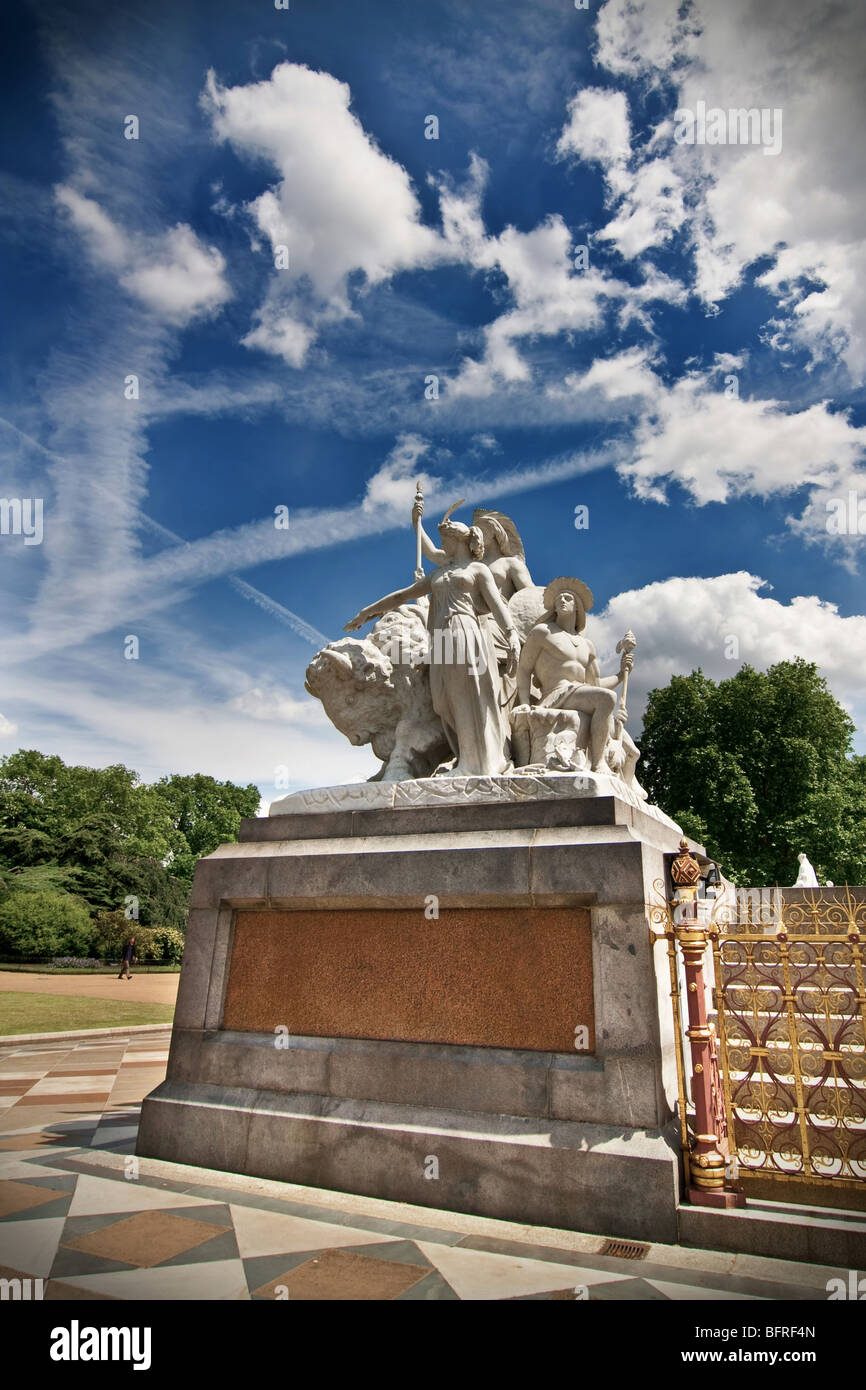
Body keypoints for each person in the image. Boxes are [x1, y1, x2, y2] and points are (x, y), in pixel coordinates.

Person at [345, 502, 520, 776]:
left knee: (465, 696)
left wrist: (511, 635)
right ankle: (467, 758)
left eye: (445, 541)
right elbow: (402, 595)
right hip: (440, 637)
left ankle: (474, 764)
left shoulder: (477, 570)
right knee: (443, 701)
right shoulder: (440, 573)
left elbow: (498, 606)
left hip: (464, 632)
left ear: (458, 540)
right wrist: (367, 612)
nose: (442, 546)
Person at [515, 577, 636, 778]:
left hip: (578, 692)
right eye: (559, 598)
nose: (562, 600)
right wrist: (525, 702)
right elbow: (524, 669)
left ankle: (598, 761)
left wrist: (621, 674)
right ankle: (598, 764)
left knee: (606, 699)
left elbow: (595, 685)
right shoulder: (542, 632)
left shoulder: (586, 645)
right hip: (556, 694)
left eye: (568, 598)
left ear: (577, 607)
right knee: (606, 699)